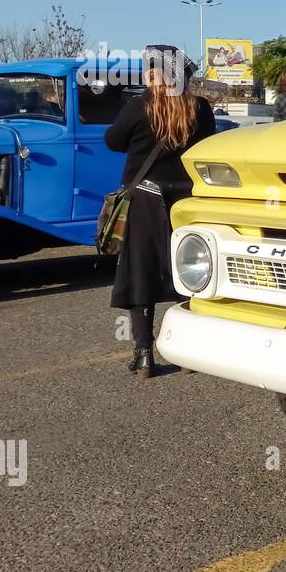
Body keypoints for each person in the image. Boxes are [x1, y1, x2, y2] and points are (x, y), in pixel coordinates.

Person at [106, 46, 216, 377]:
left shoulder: (139, 106)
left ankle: (143, 355)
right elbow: (208, 146)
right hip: (186, 203)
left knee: (141, 274)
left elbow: (112, 141)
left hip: (145, 202)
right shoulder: (199, 107)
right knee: (192, 272)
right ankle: (187, 354)